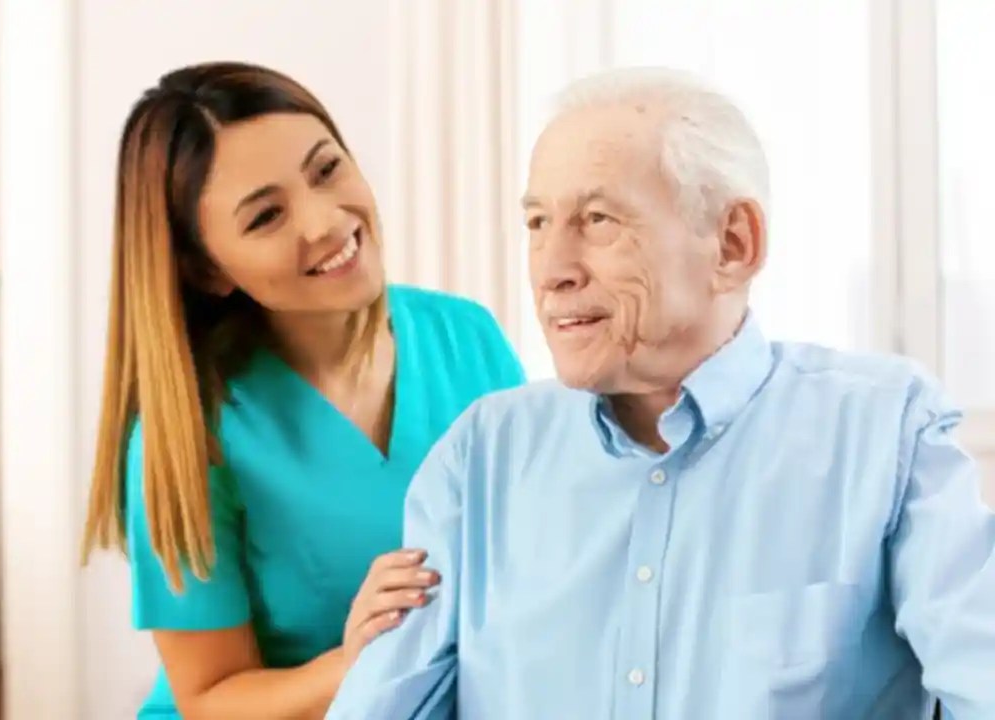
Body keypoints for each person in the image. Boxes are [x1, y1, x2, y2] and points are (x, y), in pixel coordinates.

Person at [327, 67, 995, 719]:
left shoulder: (885, 431)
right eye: (536, 224)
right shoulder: (480, 456)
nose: (552, 270)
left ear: (733, 244)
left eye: (597, 220)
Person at [79, 61, 526, 719]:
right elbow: (208, 699)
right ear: (207, 268)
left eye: (326, 170)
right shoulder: (187, 435)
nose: (324, 222)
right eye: (265, 217)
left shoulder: (467, 336)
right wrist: (360, 659)